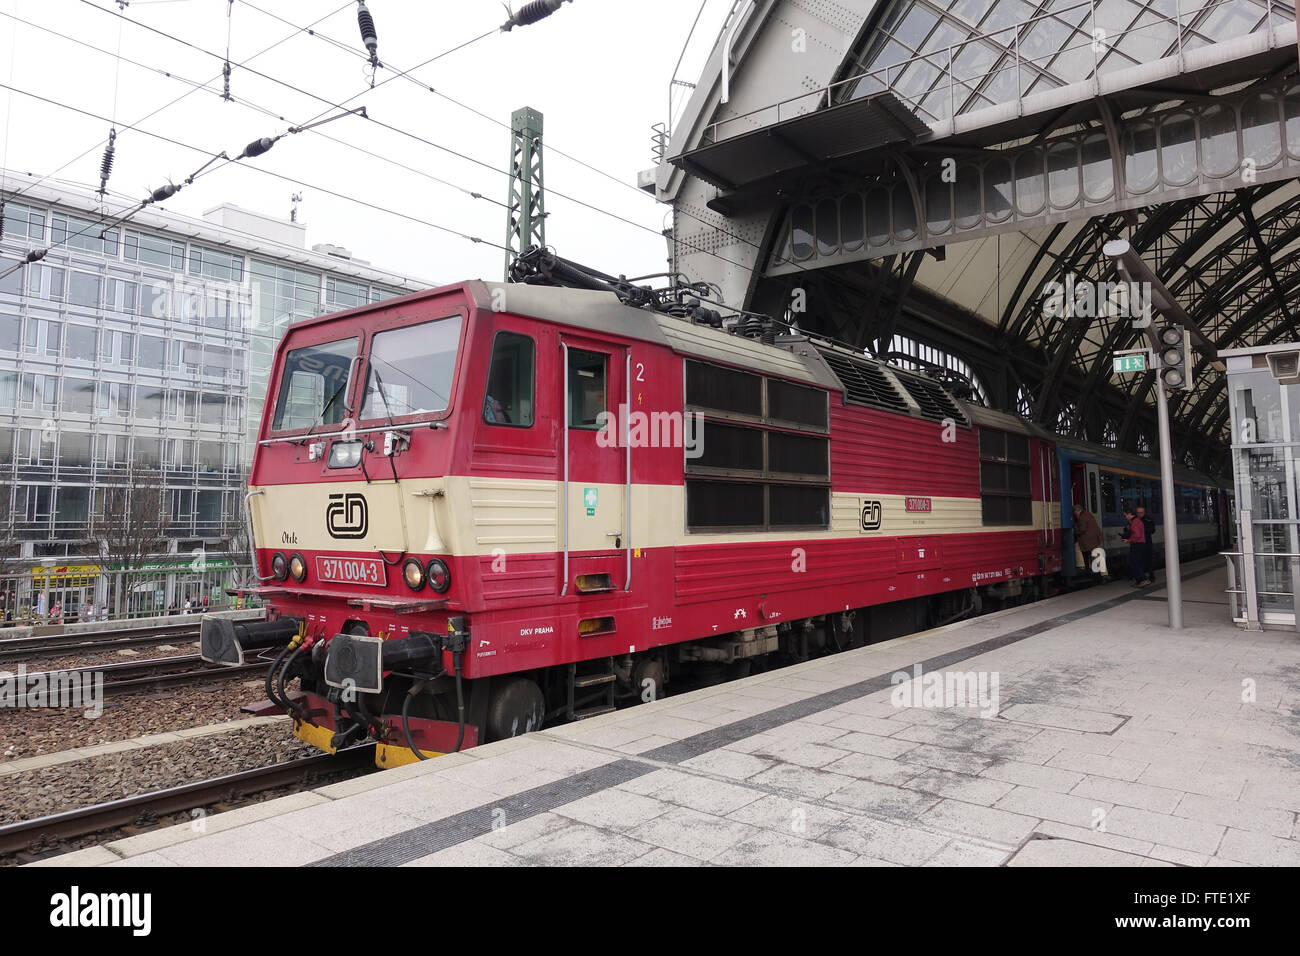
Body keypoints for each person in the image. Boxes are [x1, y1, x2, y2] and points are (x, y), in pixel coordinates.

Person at [1072, 504, 1105, 577]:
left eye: (1075, 512)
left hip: (1089, 540)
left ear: (1078, 511)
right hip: (1095, 538)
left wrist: (1075, 530)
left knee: (1077, 547)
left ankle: (1081, 565)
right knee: (1098, 556)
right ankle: (1104, 574)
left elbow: (1082, 529)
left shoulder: (1082, 517)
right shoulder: (1088, 514)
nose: (1075, 514)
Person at [1121, 508, 1151, 586]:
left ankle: (1142, 579)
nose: (1125, 517)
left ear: (1130, 514)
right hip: (1140, 544)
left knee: (1134, 562)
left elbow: (1137, 535)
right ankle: (1140, 580)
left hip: (1137, 544)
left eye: (1126, 515)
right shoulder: (1137, 521)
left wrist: (1128, 540)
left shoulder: (1135, 522)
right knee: (1136, 562)